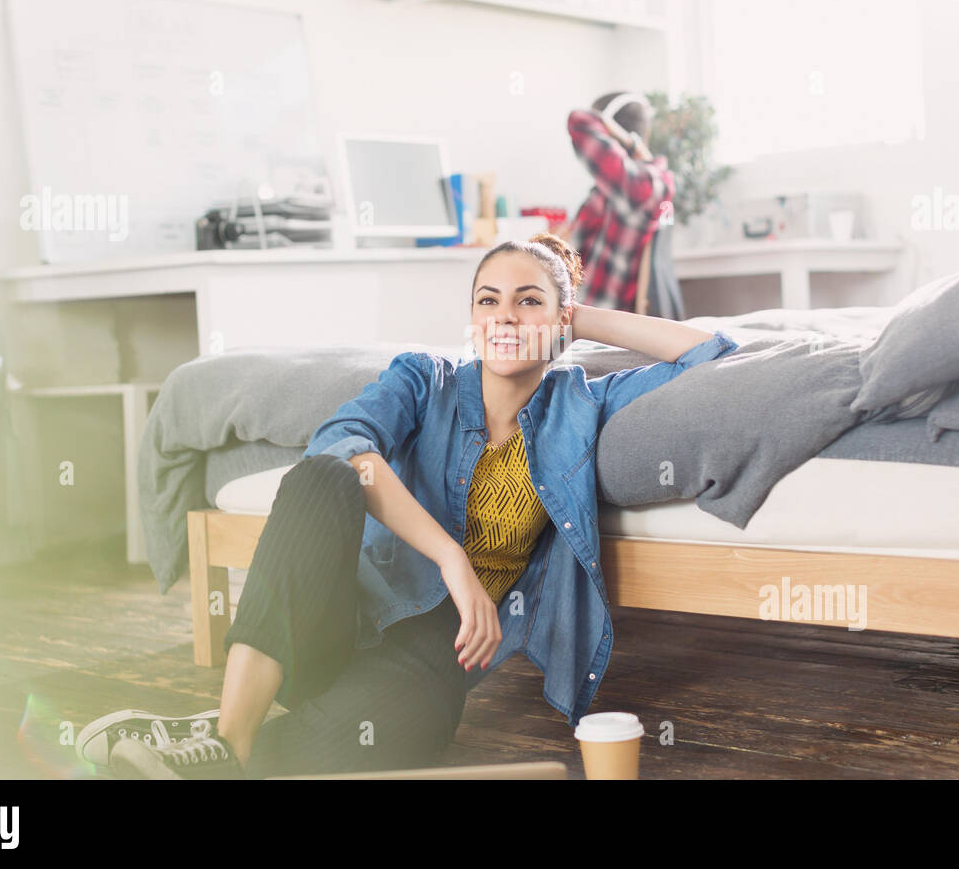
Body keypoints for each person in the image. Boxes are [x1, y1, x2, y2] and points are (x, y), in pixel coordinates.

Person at [80, 233, 738, 779]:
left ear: (561, 320)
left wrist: (573, 314)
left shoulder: (582, 404)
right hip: (338, 616)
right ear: (472, 317)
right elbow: (342, 445)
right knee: (321, 479)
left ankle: (209, 744)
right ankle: (230, 739)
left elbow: (709, 352)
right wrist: (450, 558)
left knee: (382, 742)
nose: (505, 316)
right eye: (489, 301)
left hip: (440, 652)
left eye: (528, 301)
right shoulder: (426, 378)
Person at [564, 91, 676, 314]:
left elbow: (579, 119)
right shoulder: (623, 188)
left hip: (596, 324)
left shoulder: (642, 187)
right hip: (586, 317)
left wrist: (628, 142)